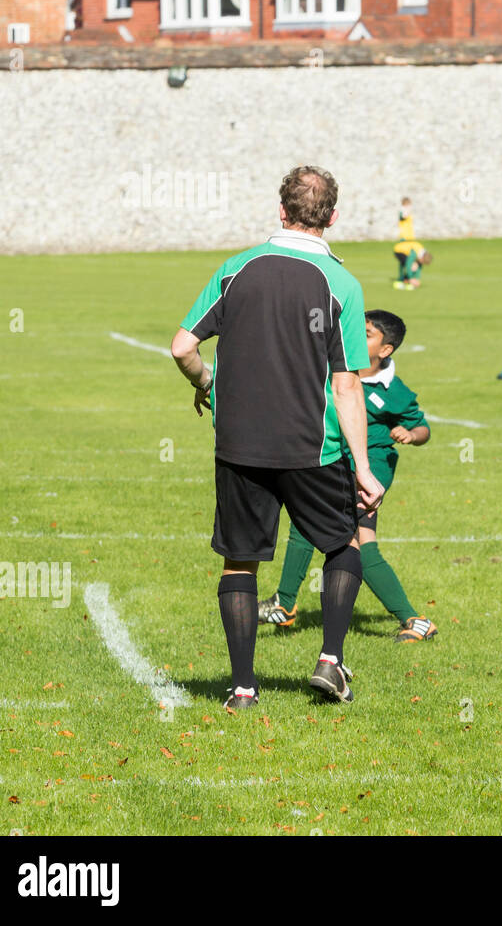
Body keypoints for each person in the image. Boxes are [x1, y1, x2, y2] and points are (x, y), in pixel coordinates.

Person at [170, 166, 383, 709]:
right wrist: (362, 465)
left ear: (280, 210)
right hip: (312, 447)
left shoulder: (235, 269)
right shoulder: (342, 284)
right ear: (333, 216)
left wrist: (207, 384)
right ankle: (331, 662)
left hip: (239, 445)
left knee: (240, 563)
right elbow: (346, 384)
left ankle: (242, 690)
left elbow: (182, 347)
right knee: (345, 542)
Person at [259, 310, 436, 641]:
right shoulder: (338, 371)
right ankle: (413, 620)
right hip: (336, 466)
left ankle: (286, 604)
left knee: (333, 536)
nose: (359, 335)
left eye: (368, 334)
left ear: (386, 350)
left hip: (369, 473)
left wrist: (411, 435)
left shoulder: (392, 390)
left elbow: (422, 427)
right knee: (337, 536)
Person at [393, 198, 426, 290]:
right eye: (408, 205)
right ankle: (409, 279)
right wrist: (405, 209)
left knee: (407, 262)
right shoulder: (403, 213)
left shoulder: (409, 214)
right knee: (408, 261)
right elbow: (403, 216)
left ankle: (405, 279)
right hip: (405, 242)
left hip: (410, 242)